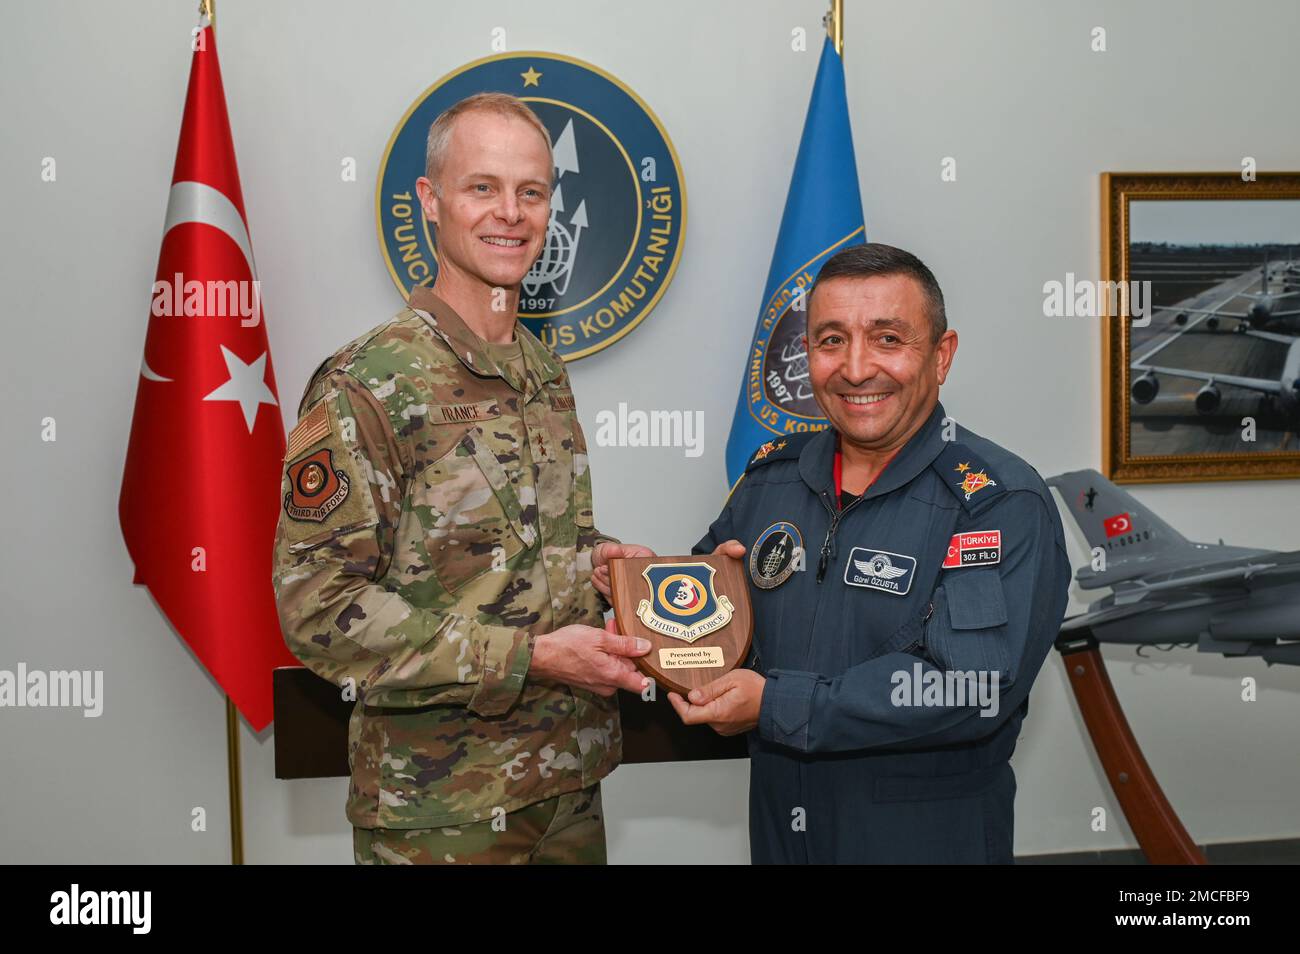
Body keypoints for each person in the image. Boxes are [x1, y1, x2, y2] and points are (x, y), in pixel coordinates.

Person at [272, 92, 653, 865]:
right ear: (430, 202)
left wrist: (605, 566)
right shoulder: (367, 382)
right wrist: (530, 658)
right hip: (440, 816)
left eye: (532, 191)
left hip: (569, 789)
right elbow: (319, 608)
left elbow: (526, 548)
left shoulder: (543, 371)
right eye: (482, 187)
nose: (509, 213)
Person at [668, 243, 1071, 863]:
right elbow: (701, 619)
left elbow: (969, 688)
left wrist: (777, 705)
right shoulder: (768, 482)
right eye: (831, 340)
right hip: (782, 832)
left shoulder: (996, 504)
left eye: (887, 339)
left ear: (942, 356)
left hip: (924, 841)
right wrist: (634, 594)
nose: (856, 368)